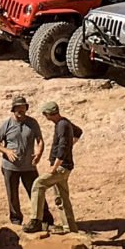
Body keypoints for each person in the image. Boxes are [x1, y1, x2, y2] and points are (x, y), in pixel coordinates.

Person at [0, 95, 52, 227]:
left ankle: (45, 219)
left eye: (23, 108)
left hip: (29, 166)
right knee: (12, 195)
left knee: (36, 192)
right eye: (18, 108)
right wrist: (6, 151)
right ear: (13, 109)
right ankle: (16, 221)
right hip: (10, 167)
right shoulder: (7, 124)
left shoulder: (32, 123)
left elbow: (40, 140)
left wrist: (39, 153)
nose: (20, 110)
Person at [24, 100, 80, 234]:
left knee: (38, 184)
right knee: (62, 197)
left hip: (61, 167)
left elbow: (63, 147)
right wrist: (70, 146)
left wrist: (55, 167)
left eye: (45, 115)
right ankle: (70, 228)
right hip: (65, 166)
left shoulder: (62, 126)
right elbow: (78, 132)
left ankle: (35, 220)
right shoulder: (64, 122)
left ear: (48, 114)